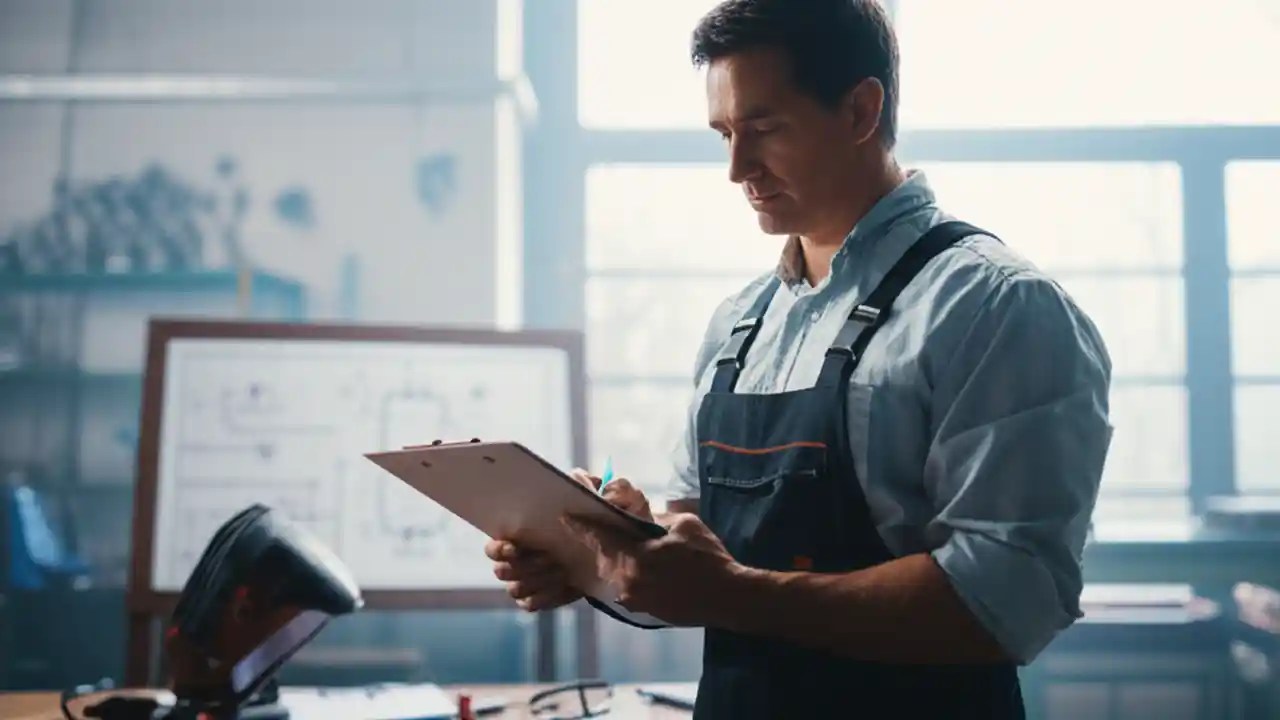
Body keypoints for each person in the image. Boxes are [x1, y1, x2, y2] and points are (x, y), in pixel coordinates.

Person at [486, 0, 1112, 717]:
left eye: (764, 128)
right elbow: (699, 559)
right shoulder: (738, 326)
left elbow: (1005, 596)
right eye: (723, 133)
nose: (736, 168)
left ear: (860, 111)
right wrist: (605, 556)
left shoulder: (996, 308)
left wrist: (729, 592)